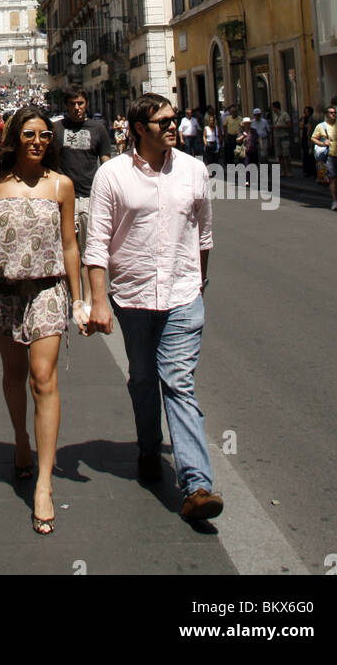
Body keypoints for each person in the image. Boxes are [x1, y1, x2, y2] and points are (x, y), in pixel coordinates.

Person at [85, 93, 222, 523]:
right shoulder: (112, 175)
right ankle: (148, 449)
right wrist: (97, 301)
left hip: (183, 295)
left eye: (174, 119)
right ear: (138, 128)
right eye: (162, 121)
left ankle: (196, 484)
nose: (172, 126)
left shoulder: (195, 170)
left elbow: (203, 235)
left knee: (178, 382)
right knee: (143, 380)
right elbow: (96, 244)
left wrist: (199, 283)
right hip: (133, 296)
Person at [0, 106, 86, 535]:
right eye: (31, 134)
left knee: (42, 377)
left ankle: (44, 486)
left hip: (48, 291)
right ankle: (20, 441)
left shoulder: (61, 186)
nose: (38, 141)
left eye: (45, 136)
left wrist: (80, 298)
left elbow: (70, 245)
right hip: (4, 293)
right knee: (14, 374)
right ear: (16, 137)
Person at [54, 89, 112, 306]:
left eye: (80, 103)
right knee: (67, 250)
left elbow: (105, 160)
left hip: (89, 197)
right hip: (63, 199)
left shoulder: (98, 129)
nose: (77, 108)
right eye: (72, 104)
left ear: (86, 104)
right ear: (67, 106)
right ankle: (72, 297)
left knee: (87, 253)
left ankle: (88, 301)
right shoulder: (57, 129)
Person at [311, 105, 337, 210]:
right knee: (333, 179)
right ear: (326, 115)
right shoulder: (321, 126)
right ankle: (335, 200)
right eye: (331, 113)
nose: (333, 114)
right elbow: (313, 138)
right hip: (330, 157)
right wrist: (322, 143)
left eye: (334, 113)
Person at [271, 100, 292, 178]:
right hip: (277, 136)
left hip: (284, 136)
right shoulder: (274, 116)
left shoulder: (285, 114)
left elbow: (289, 125)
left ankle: (289, 171)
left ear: (276, 107)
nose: (272, 109)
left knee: (286, 155)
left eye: (273, 107)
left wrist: (280, 127)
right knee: (279, 155)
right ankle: (283, 171)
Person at [300, 105, 317, 177]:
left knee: (311, 155)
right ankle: (306, 170)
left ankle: (312, 170)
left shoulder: (312, 119)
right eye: (305, 112)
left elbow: (310, 130)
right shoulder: (304, 118)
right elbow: (301, 126)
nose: (305, 113)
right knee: (306, 154)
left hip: (310, 138)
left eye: (307, 112)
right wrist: (303, 119)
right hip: (305, 138)